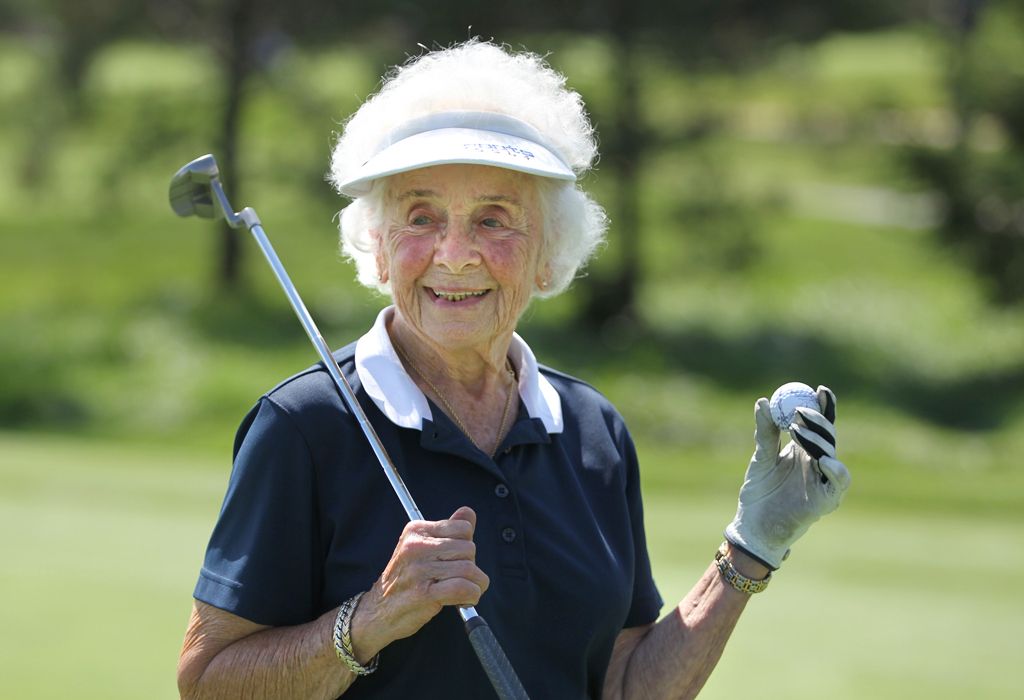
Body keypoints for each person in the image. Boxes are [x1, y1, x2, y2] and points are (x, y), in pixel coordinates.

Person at [176, 40, 851, 699]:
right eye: (420, 216)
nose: (455, 254)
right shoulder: (305, 427)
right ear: (379, 250)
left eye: (494, 220)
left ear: (551, 253)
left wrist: (749, 550)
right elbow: (207, 682)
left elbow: (622, 686)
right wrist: (371, 620)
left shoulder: (594, 432)